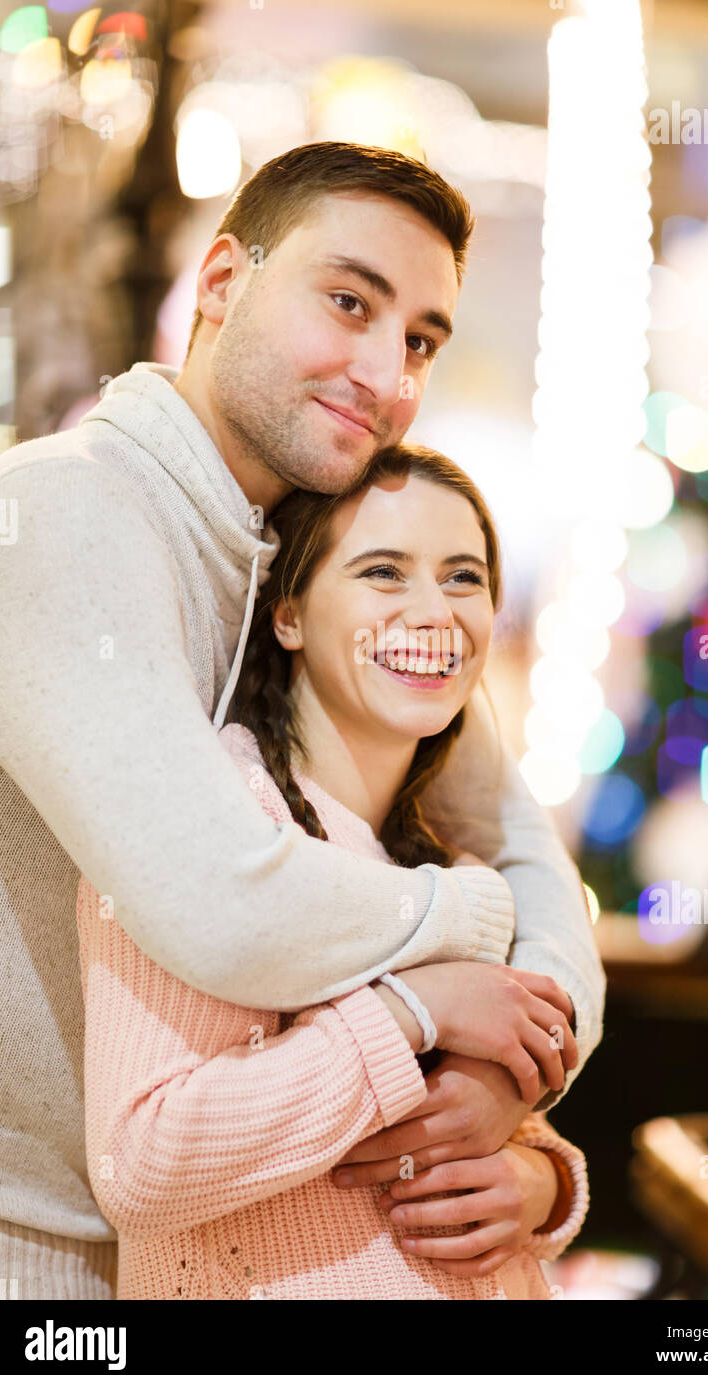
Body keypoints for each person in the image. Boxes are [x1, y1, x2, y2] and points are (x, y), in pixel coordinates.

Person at [0, 142, 604, 1299]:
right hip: (20, 1253)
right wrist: (456, 947)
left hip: (226, 1245)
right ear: (220, 283)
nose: (383, 368)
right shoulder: (64, 511)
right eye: (347, 301)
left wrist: (519, 1081)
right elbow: (218, 896)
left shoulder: (312, 545)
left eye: (417, 337)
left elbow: (528, 857)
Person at [78, 442, 590, 1298]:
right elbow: (143, 1163)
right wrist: (410, 1015)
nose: (434, 612)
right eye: (384, 572)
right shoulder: (211, 822)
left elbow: (455, 1136)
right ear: (288, 612)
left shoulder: (452, 865)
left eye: (464, 578)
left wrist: (542, 1187)